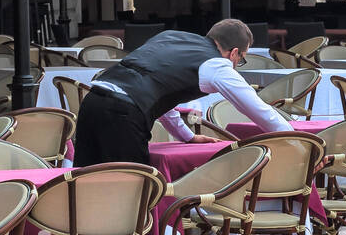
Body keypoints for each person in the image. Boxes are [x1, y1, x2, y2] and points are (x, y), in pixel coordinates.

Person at [73, 19, 292, 167]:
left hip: (93, 100)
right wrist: (296, 141)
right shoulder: (218, 65)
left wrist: (187, 137)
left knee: (85, 184)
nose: (237, 63)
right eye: (241, 59)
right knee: (131, 195)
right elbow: (256, 108)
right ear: (234, 52)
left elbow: (160, 92)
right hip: (124, 113)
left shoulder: (169, 36)